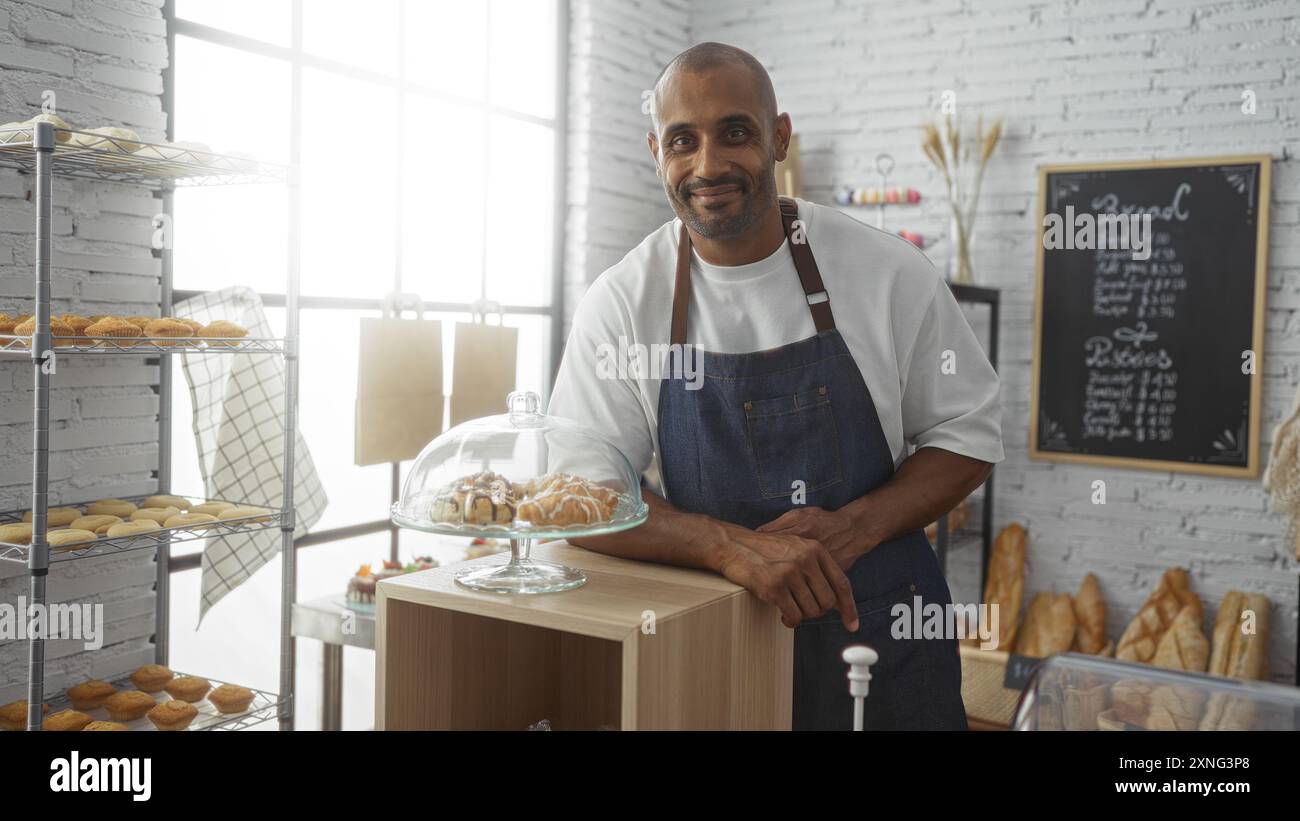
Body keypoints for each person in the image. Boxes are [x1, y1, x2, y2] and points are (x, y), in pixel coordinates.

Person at [548, 42, 1003, 730]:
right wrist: (726, 546)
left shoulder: (888, 273)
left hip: (883, 631)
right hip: (715, 637)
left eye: (735, 132)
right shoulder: (621, 303)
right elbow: (580, 495)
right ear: (655, 152)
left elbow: (968, 432)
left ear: (779, 136)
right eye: (682, 141)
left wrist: (854, 526)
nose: (708, 166)